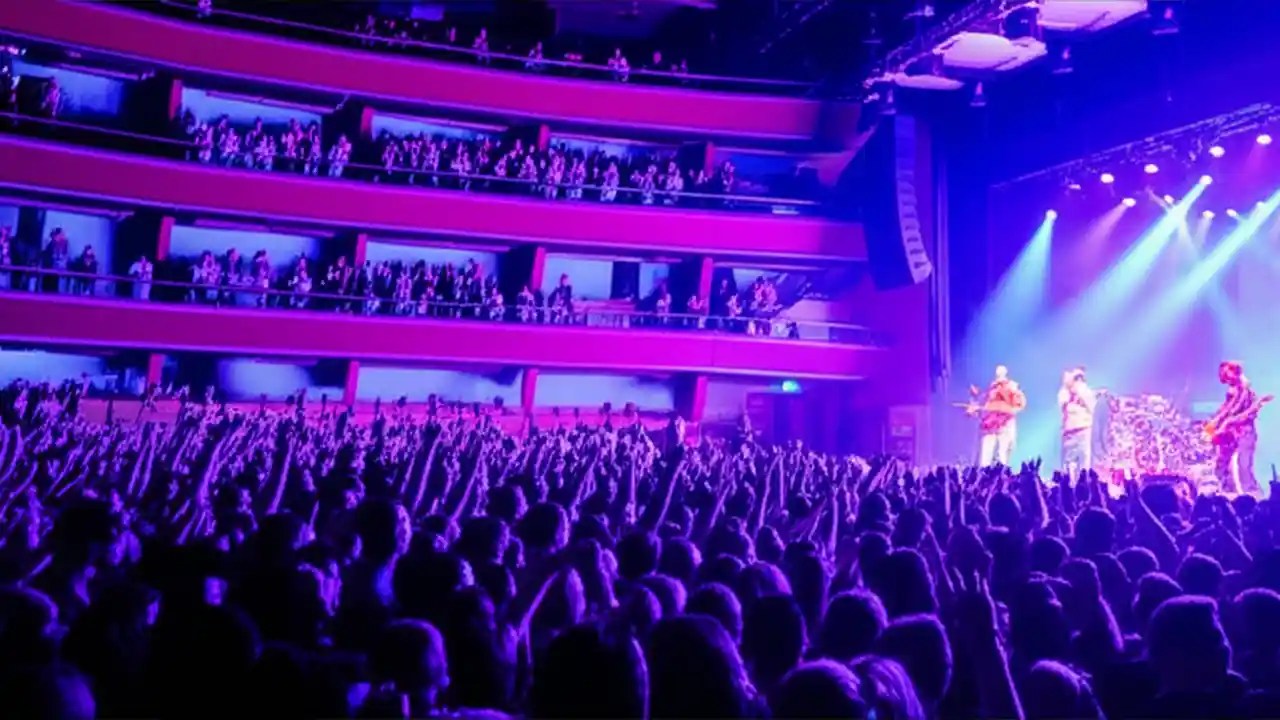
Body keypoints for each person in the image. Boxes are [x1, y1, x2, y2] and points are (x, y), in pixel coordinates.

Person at [1208, 360, 1266, 495]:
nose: (1224, 377)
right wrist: (1216, 420)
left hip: (1244, 431)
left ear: (1235, 372)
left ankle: (1253, 496)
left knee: (1244, 466)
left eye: (1227, 373)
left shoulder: (1244, 388)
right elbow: (1227, 408)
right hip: (1232, 432)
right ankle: (1228, 493)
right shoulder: (1234, 388)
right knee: (1222, 463)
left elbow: (1236, 409)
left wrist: (1223, 423)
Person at [970, 364, 1026, 467]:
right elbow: (985, 404)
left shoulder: (1011, 387)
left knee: (1003, 453)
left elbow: (1018, 405)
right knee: (987, 454)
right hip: (991, 425)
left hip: (1005, 423)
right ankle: (984, 474)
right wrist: (976, 408)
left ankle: (1001, 474)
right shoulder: (992, 389)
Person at [1058, 367, 1098, 474]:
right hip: (1069, 431)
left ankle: (1083, 483)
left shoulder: (1085, 392)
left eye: (1079, 378)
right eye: (1076, 378)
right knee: (1069, 462)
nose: (1078, 381)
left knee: (1083, 462)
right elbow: (1062, 403)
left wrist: (1079, 391)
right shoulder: (1065, 393)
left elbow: (1092, 406)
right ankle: (1068, 484)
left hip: (1083, 429)